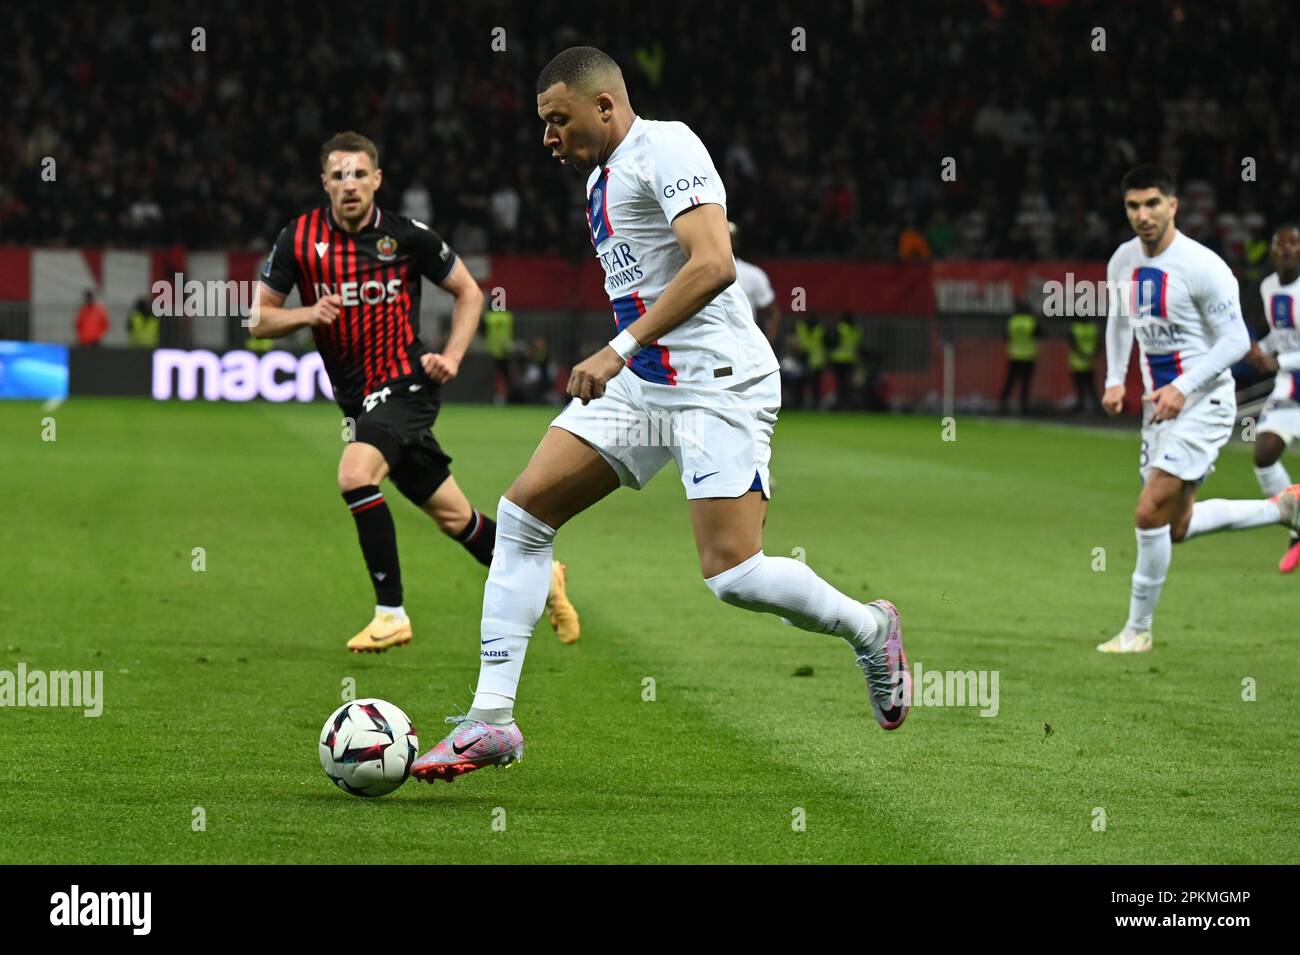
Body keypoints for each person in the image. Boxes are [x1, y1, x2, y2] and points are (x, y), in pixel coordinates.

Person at [412, 47, 910, 783]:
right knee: (522, 515)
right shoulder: (596, 179)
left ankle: (872, 629)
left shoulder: (667, 145)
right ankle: (492, 720)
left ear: (605, 106)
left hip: (717, 384)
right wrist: (630, 357)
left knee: (733, 576)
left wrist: (617, 347)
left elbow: (714, 264)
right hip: (645, 387)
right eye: (543, 122)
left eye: (558, 119)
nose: (547, 136)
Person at [251, 131, 579, 653]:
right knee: (455, 518)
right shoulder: (299, 239)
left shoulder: (407, 237)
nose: (350, 185)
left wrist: (450, 356)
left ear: (377, 180)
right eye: (339, 176)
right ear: (325, 184)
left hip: (405, 385)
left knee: (355, 474)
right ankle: (545, 577)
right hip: (361, 401)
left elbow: (469, 292)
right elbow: (259, 319)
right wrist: (306, 313)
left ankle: (390, 612)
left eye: (360, 174)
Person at [1099, 165, 1300, 654]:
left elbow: (1235, 340)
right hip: (1159, 408)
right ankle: (1281, 508)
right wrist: (1113, 378)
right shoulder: (1123, 261)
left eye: (1152, 204)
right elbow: (1119, 321)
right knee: (1176, 526)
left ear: (1173, 205)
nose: (1142, 215)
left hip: (1203, 402)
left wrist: (1184, 387)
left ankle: (1137, 631)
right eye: (1133, 206)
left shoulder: (1203, 266)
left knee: (1148, 514)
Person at [1246, 223, 1300, 572]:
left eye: (1294, 243)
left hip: (1289, 372)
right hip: (1290, 386)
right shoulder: (1268, 287)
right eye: (1281, 244)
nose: (1287, 249)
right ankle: (1298, 526)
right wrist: (1258, 350)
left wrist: (1275, 359)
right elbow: (1282, 337)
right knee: (1264, 453)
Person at [728, 221, 781, 349]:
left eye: (731, 237)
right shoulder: (703, 272)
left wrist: (767, 347)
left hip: (745, 347)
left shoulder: (753, 275)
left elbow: (773, 313)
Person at [998, 302, 1038, 414]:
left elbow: (1006, 336)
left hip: (1014, 355)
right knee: (1025, 384)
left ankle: (1002, 403)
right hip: (1028, 356)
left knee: (1010, 382)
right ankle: (1023, 406)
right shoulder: (1031, 322)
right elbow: (1040, 333)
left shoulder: (1013, 322)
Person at [1067, 317, 1099, 413]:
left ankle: (1081, 406)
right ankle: (1097, 408)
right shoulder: (1092, 328)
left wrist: (1082, 355)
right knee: (1091, 386)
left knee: (1079, 387)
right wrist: (1092, 354)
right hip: (1090, 361)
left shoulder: (1074, 328)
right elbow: (1098, 343)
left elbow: (1072, 345)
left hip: (1077, 362)